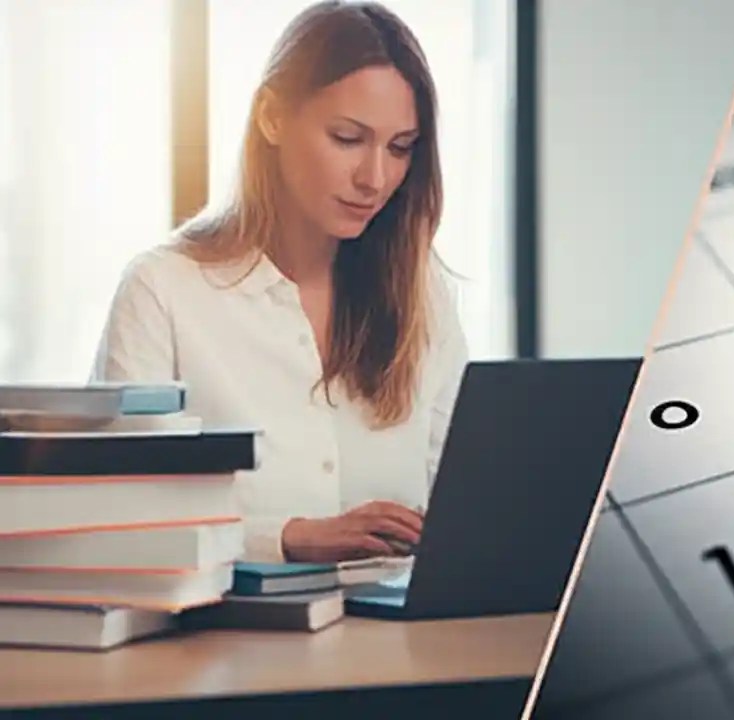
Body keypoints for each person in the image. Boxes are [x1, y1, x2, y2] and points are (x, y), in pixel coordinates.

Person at [92, 1, 468, 564]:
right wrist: (286, 537)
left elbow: (460, 499)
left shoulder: (422, 291)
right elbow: (121, 514)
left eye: (399, 148)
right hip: (223, 644)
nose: (375, 178)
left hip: (401, 640)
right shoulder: (163, 289)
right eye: (346, 138)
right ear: (271, 117)